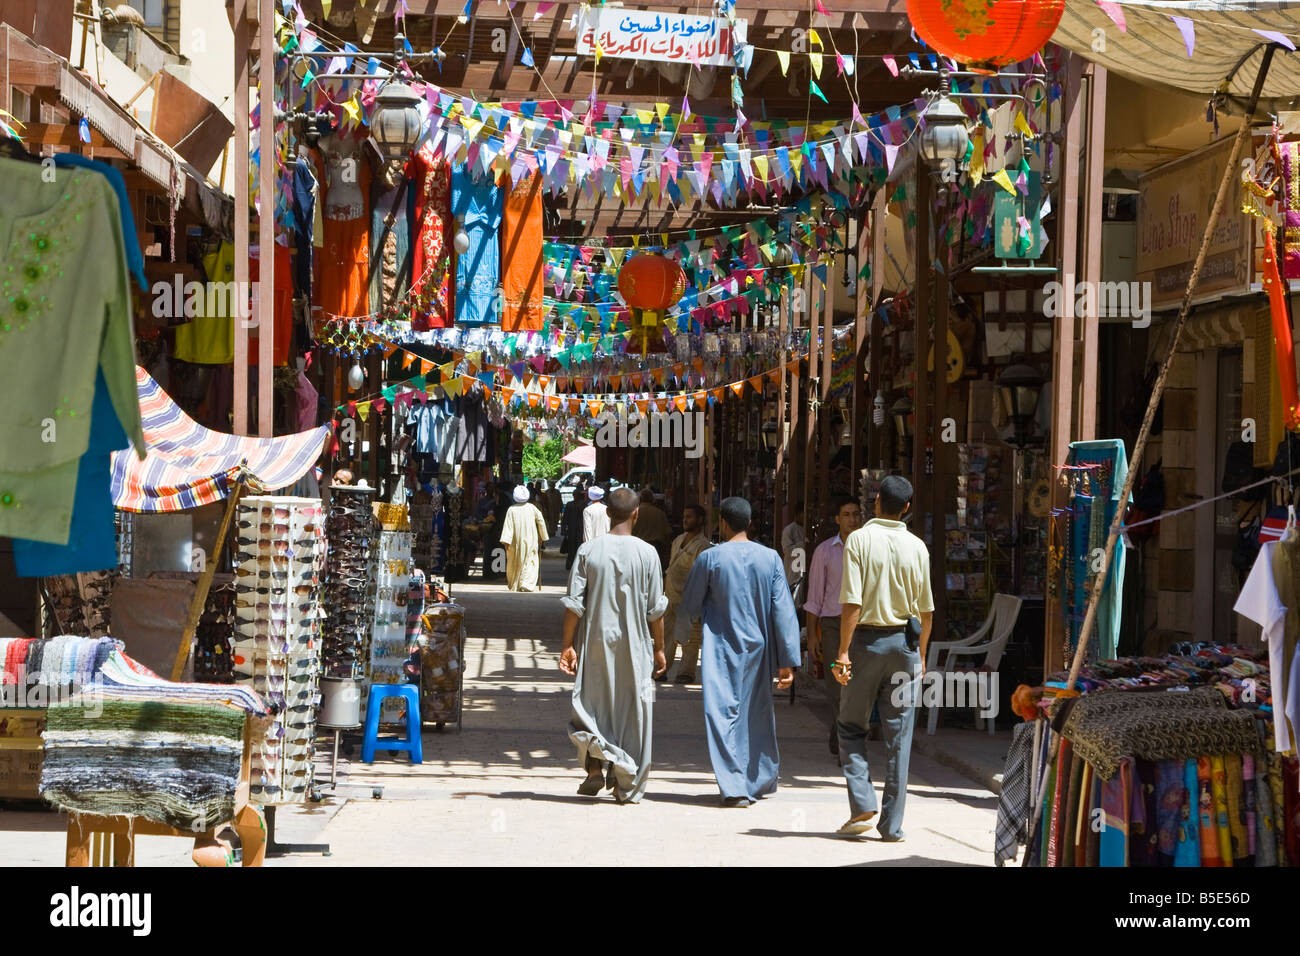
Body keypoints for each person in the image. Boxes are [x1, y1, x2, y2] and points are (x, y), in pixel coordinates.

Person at [679, 496, 801, 807]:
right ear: (750, 523)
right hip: (759, 650)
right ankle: (756, 779)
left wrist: (678, 640)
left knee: (721, 713)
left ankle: (733, 785)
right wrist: (788, 661)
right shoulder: (771, 558)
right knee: (756, 712)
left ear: (722, 523)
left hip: (721, 648)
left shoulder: (710, 558)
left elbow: (690, 604)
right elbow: (784, 611)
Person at [833, 475, 934, 843]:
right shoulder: (918, 547)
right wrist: (920, 657)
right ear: (907, 508)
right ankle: (891, 826)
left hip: (866, 645)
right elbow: (926, 612)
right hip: (905, 648)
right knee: (899, 738)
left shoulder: (859, 539)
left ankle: (862, 802)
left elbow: (852, 604)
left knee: (850, 727)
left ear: (876, 502)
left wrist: (843, 652)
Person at [560, 487, 668, 803]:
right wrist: (659, 648)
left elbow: (573, 605)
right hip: (635, 647)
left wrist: (567, 644)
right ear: (637, 513)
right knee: (633, 712)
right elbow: (656, 611)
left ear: (608, 512)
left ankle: (594, 767)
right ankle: (625, 783)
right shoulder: (649, 554)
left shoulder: (588, 551)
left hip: (594, 641)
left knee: (591, 706)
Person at [804, 497, 864, 760]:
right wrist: (812, 635)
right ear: (837, 519)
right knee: (837, 684)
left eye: (856, 514)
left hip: (862, 625)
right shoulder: (825, 551)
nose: (852, 519)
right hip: (831, 626)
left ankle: (841, 731)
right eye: (846, 514)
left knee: (858, 686)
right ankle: (845, 748)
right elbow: (814, 597)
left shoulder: (869, 549)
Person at [661, 504, 711, 685]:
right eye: (684, 516)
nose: (685, 520)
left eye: (689, 516)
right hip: (671, 595)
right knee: (667, 635)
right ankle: (662, 668)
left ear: (700, 520)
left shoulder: (703, 546)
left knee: (690, 637)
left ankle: (686, 672)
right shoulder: (678, 539)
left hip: (689, 598)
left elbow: (702, 576)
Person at [499, 484, 550, 592]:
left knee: (516, 561)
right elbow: (540, 521)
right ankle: (526, 583)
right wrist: (543, 536)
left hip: (515, 541)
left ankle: (518, 583)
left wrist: (506, 541)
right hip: (531, 539)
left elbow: (508, 526)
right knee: (530, 561)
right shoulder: (532, 508)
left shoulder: (511, 510)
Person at [632, 488, 673, 567]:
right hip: (656, 548)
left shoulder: (633, 513)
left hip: (637, 548)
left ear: (639, 499)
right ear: (652, 499)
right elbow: (667, 533)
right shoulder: (659, 513)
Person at [561, 482, 587, 569]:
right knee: (571, 548)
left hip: (580, 529)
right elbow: (565, 518)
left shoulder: (584, 505)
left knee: (579, 547)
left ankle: (578, 565)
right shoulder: (570, 504)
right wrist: (564, 529)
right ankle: (570, 564)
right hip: (572, 529)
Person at [781, 503, 806, 589]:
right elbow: (787, 551)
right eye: (804, 514)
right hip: (793, 569)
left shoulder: (808, 528)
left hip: (804, 568)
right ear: (798, 514)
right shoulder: (789, 530)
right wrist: (803, 544)